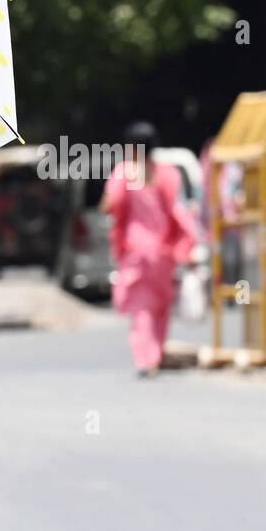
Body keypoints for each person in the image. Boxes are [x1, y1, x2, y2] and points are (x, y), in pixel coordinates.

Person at [99, 121, 197, 377]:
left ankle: (146, 358)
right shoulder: (166, 173)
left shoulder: (125, 173)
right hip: (164, 251)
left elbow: (110, 205)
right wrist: (188, 246)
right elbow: (179, 209)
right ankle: (157, 351)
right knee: (161, 305)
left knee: (141, 308)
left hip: (136, 251)